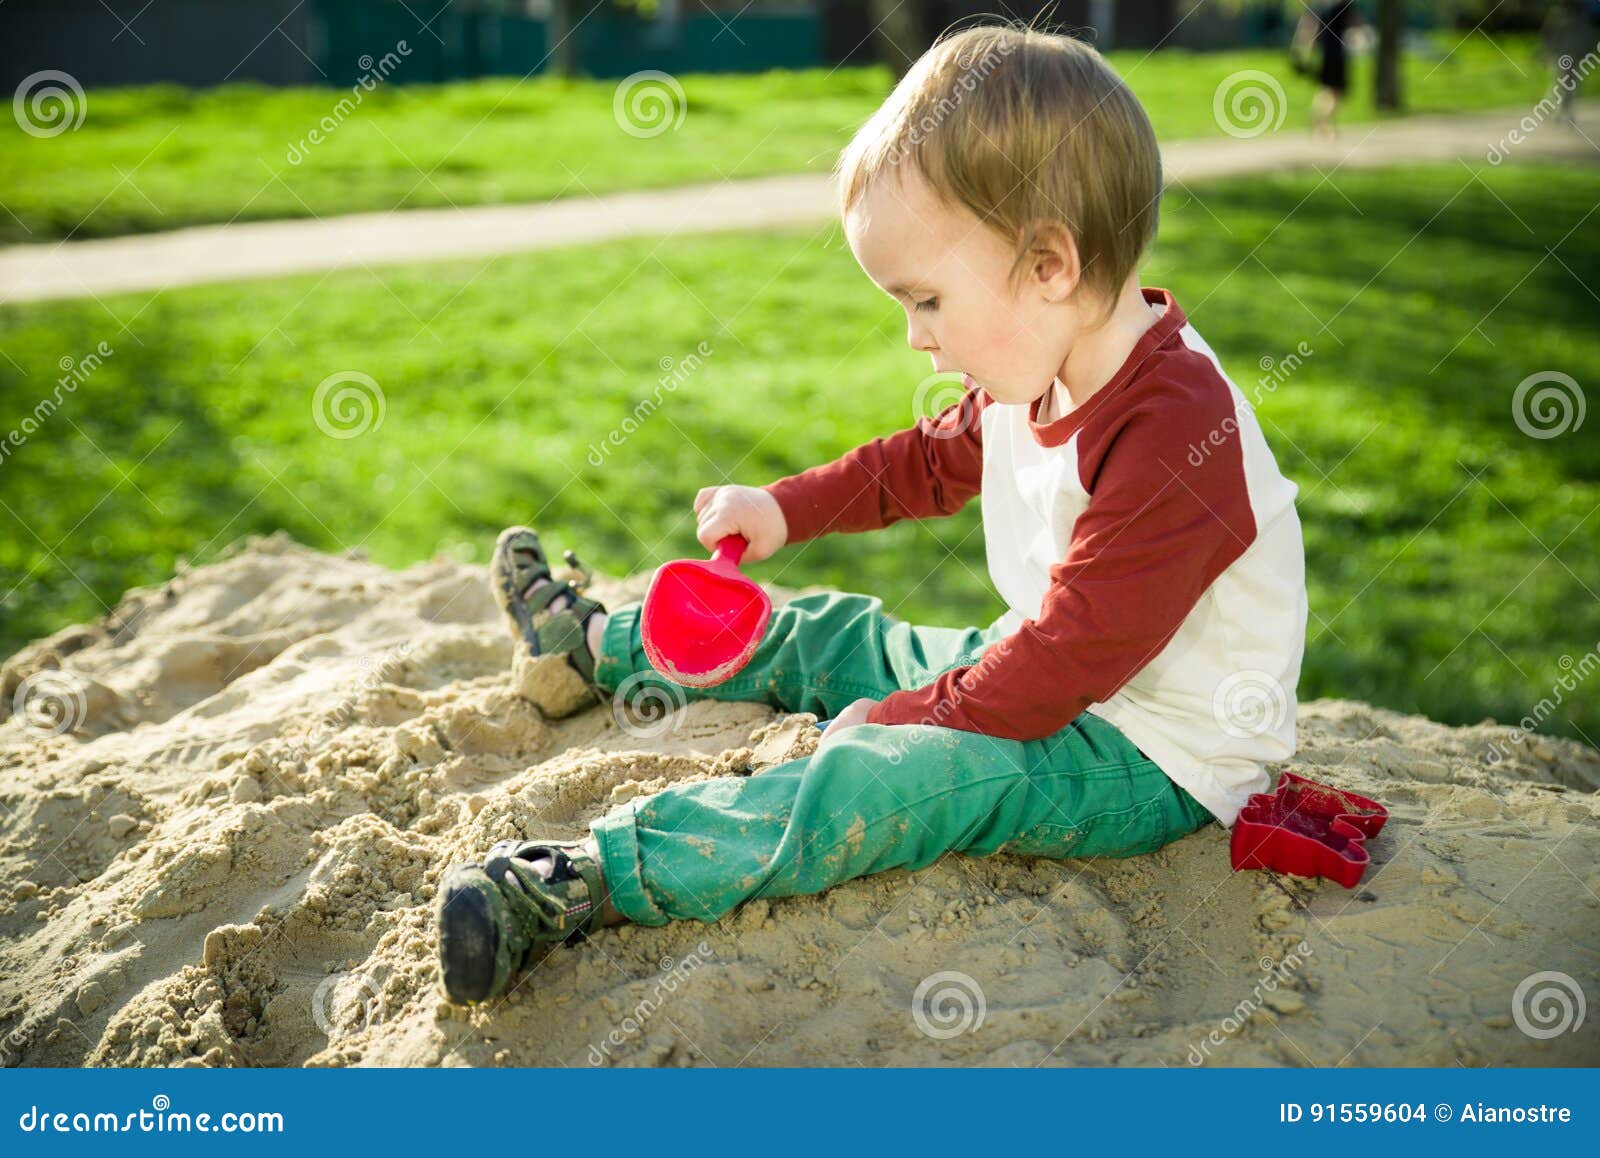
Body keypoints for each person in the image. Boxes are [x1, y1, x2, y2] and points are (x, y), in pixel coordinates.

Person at [434, 21, 1308, 1006]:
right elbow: (924, 464)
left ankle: (587, 880)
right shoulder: (1046, 361)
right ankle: (593, 647)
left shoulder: (1175, 432)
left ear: (1048, 266)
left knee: (895, 778)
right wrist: (782, 510)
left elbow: (1070, 660)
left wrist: (901, 716)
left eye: (926, 300)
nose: (914, 338)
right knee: (838, 635)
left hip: (1156, 755)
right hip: (1047, 667)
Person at [1295, 1, 1370, 139]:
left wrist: (1305, 51)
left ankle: (1321, 123)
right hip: (1338, 55)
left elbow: (1309, 28)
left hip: (1325, 54)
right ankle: (1324, 124)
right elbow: (1357, 23)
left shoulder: (1319, 7)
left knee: (1326, 89)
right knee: (1334, 92)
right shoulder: (1344, 6)